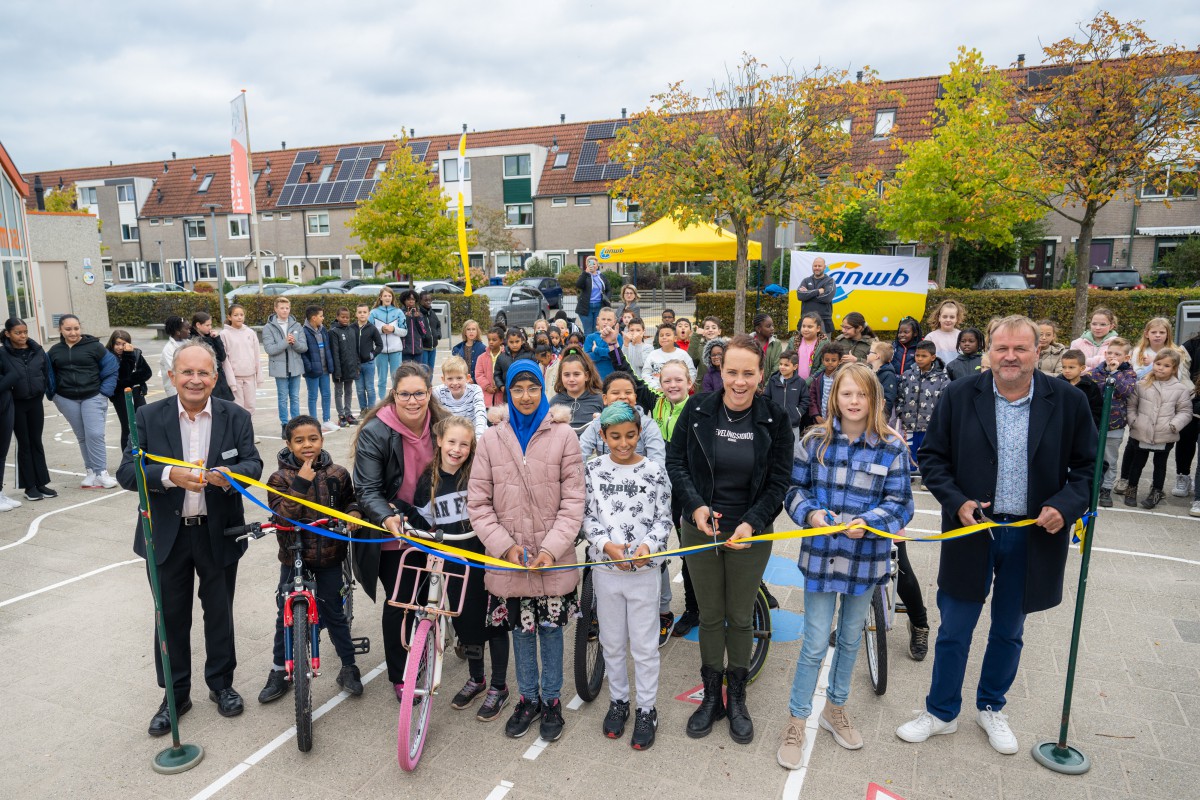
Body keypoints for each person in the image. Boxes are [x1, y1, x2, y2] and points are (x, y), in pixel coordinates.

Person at [896, 316, 1096, 757]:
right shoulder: (959, 394)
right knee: (955, 630)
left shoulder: (1066, 400)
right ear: (988, 350)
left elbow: (1087, 470)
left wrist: (1064, 507)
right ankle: (941, 712)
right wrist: (957, 500)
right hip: (973, 531)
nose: (1010, 356)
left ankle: (991, 707)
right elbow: (932, 458)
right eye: (1001, 347)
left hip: (1032, 536)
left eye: (1020, 349)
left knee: (1009, 629)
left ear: (1037, 351)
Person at [115, 341, 263, 736]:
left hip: (218, 533)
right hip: (166, 536)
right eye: (187, 372)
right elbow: (128, 471)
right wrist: (168, 476)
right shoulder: (147, 416)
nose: (195, 380)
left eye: (203, 373)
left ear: (215, 378)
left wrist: (229, 477)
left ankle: (221, 684)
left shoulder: (235, 416)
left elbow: (252, 463)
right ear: (172, 376)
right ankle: (175, 695)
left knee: (219, 613)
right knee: (170, 618)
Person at [776, 363, 913, 766]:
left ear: (875, 399)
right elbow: (794, 490)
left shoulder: (892, 447)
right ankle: (797, 719)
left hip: (865, 563)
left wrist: (869, 524)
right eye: (846, 394)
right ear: (834, 398)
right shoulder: (814, 441)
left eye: (862, 395)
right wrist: (812, 516)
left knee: (851, 639)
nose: (854, 402)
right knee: (815, 642)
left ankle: (835, 708)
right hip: (820, 560)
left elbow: (900, 504)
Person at [666, 334, 793, 745]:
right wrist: (696, 505)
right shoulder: (698, 409)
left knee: (739, 616)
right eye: (731, 372)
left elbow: (779, 482)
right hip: (700, 527)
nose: (739, 382)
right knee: (708, 615)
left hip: (748, 532)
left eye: (748, 373)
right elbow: (676, 461)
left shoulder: (775, 418)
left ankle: (736, 697)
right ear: (720, 371)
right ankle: (711, 696)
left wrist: (753, 522)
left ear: (762, 374)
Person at [468, 360, 585, 742]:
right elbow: (479, 504)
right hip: (511, 562)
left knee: (551, 632)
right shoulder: (490, 439)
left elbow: (573, 500)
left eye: (532, 387)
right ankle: (527, 699)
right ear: (507, 392)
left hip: (553, 560)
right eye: (517, 389)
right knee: (520, 631)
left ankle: (551, 701)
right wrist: (505, 546)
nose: (525, 396)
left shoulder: (564, 436)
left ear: (542, 389)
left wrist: (552, 548)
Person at [404, 416, 511, 721]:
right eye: (451, 441)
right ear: (439, 441)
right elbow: (424, 520)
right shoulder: (428, 480)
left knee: (495, 621)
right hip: (453, 562)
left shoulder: (477, 473)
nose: (457, 449)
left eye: (464, 444)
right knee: (464, 621)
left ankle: (499, 686)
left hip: (484, 557)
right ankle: (477, 679)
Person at [350, 362, 446, 700]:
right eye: (404, 394)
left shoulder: (443, 424)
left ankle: (431, 643)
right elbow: (366, 488)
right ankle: (400, 672)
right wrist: (387, 517)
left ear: (429, 393)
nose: (412, 400)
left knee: (432, 596)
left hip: (437, 527)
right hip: (395, 529)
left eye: (419, 393)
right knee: (401, 600)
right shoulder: (376, 431)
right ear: (394, 395)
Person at [583, 401, 672, 750]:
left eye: (630, 435)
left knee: (646, 646)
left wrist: (648, 547)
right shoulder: (591, 470)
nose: (623, 443)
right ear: (603, 436)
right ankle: (619, 701)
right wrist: (607, 545)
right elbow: (587, 517)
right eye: (615, 436)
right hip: (606, 573)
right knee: (613, 642)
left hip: (644, 573)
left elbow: (664, 519)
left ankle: (647, 708)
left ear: (640, 434)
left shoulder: (653, 471)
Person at [258, 415, 364, 704]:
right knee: (286, 615)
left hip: (330, 555)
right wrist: (301, 484)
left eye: (313, 438)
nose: (307, 445)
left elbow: (350, 500)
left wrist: (354, 512)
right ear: (288, 444)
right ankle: (279, 670)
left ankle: (348, 666)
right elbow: (284, 515)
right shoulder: (279, 479)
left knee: (334, 612)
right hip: (293, 558)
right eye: (300, 440)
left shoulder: (338, 473)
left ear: (322, 439)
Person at [48, 314, 119, 488]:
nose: (73, 332)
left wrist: (104, 392)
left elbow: (112, 368)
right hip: (66, 398)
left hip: (93, 395)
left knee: (94, 434)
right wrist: (53, 394)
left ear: (80, 327)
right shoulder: (54, 351)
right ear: (60, 330)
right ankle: (91, 472)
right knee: (82, 436)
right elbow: (48, 373)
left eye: (76, 328)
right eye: (68, 329)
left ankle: (102, 472)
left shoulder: (95, 347)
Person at [1122, 350, 1193, 509]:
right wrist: (1133, 421)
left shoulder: (1180, 389)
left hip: (1165, 433)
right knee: (1137, 462)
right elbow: (1132, 405)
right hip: (1141, 430)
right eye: (1158, 364)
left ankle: (1156, 491)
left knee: (1160, 464)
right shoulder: (1141, 384)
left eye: (1166, 365)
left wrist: (1174, 425)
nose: (1161, 368)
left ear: (1174, 369)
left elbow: (1185, 411)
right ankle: (1131, 488)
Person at [2, 319, 56, 501]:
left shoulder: (37, 350)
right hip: (16, 404)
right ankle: (29, 487)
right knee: (24, 444)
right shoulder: (3, 354)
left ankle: (42, 483)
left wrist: (42, 390)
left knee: (36, 442)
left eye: (25, 331)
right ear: (8, 333)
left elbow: (45, 372)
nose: (23, 335)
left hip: (35, 402)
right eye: (18, 332)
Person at [1088, 337, 1137, 508]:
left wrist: (1115, 374)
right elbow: (1093, 390)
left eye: (1117, 354)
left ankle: (1106, 488)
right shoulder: (1097, 371)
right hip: (1095, 423)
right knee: (1092, 456)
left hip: (1114, 425)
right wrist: (1107, 372)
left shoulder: (1129, 374)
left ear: (1126, 357)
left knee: (1110, 458)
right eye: (1109, 353)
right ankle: (1092, 485)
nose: (1112, 356)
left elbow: (1126, 391)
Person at [898, 341, 950, 475]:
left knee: (927, 451)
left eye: (923, 356)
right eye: (917, 355)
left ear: (933, 357)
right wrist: (900, 412)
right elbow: (900, 395)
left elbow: (945, 400)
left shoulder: (942, 377)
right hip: (909, 423)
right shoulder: (908, 374)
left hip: (930, 424)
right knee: (909, 450)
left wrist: (939, 419)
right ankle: (909, 474)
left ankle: (926, 477)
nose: (919, 359)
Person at [263, 297, 308, 439]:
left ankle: (295, 424)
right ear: (275, 309)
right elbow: (270, 349)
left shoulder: (297, 326)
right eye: (282, 308)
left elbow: (304, 347)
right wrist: (285, 342)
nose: (285, 311)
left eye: (287, 308)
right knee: (283, 398)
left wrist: (294, 343)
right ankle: (285, 424)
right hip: (280, 369)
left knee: (294, 397)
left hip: (295, 367)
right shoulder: (268, 327)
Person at [106, 329, 153, 453]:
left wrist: (131, 380)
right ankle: (128, 458)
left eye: (124, 344)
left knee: (143, 423)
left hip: (138, 393)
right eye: (117, 344)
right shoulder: (109, 357)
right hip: (121, 396)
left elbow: (147, 373)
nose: (120, 347)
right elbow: (122, 376)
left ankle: (143, 454)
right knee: (128, 427)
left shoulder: (136, 353)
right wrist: (128, 357)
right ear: (112, 344)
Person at [220, 304, 263, 417]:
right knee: (237, 407)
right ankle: (237, 432)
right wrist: (231, 381)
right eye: (236, 315)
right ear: (229, 317)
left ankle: (248, 431)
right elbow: (225, 360)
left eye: (241, 315)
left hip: (250, 375)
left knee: (251, 406)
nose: (239, 317)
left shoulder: (250, 333)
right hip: (235, 377)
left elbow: (257, 355)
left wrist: (259, 377)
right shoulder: (224, 334)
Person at [301, 306, 338, 432]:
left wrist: (330, 365)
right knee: (313, 396)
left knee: (326, 394)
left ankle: (326, 420)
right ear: (314, 317)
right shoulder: (304, 331)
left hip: (325, 370)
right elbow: (303, 353)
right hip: (312, 371)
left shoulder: (323, 330)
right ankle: (313, 422)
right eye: (321, 316)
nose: (323, 318)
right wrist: (309, 367)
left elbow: (327, 349)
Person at [550, 350, 604, 436]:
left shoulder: (599, 399)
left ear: (586, 376)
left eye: (576, 374)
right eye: (567, 375)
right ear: (561, 376)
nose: (571, 379)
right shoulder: (555, 402)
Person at [433, 356, 487, 437]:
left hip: (473, 432)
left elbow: (480, 414)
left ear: (467, 378)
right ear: (443, 379)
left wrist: (478, 437)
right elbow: (433, 416)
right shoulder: (438, 392)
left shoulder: (475, 390)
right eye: (450, 379)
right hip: (450, 434)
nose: (454, 383)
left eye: (459, 378)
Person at [370, 287, 407, 400]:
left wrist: (393, 329)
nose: (387, 298)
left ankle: (397, 399)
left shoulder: (398, 312)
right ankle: (382, 401)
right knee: (381, 379)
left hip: (395, 350)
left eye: (389, 296)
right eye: (385, 296)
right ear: (380, 297)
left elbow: (404, 332)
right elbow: (369, 332)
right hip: (380, 351)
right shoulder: (373, 313)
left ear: (392, 298)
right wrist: (381, 330)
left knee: (396, 378)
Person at [190, 312, 234, 402]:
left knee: (224, 405)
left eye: (210, 325)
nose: (210, 327)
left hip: (219, 378)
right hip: (208, 378)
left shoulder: (211, 337)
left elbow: (222, 357)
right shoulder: (193, 340)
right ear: (198, 325)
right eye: (207, 325)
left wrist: (217, 339)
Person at [349, 303, 383, 412]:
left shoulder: (372, 328)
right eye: (360, 312)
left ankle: (371, 410)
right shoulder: (351, 328)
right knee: (359, 389)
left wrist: (372, 355)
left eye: (364, 312)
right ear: (356, 314)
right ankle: (363, 410)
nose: (362, 314)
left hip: (368, 364)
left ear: (368, 314)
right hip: (356, 365)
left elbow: (380, 345)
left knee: (370, 388)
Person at [328, 307, 359, 427]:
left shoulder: (351, 330)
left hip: (351, 367)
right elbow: (335, 353)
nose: (345, 319)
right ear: (337, 317)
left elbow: (355, 350)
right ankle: (341, 415)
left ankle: (348, 413)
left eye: (347, 317)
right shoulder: (333, 332)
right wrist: (337, 371)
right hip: (339, 369)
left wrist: (357, 365)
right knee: (339, 391)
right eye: (342, 317)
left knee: (349, 391)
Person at [764, 351, 806, 437]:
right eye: (780, 364)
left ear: (795, 367)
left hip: (793, 425)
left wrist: (798, 413)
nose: (782, 367)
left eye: (786, 365)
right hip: (775, 424)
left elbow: (805, 399)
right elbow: (766, 398)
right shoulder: (773, 381)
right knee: (774, 448)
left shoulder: (800, 382)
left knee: (793, 449)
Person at [1059, 349, 1104, 430]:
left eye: (1071, 367)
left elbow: (1096, 411)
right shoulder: (1057, 383)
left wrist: (1086, 425)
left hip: (1082, 429)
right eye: (1064, 367)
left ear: (1082, 368)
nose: (1067, 371)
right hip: (1060, 428)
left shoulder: (1090, 386)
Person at [642, 323, 696, 390]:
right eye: (661, 335)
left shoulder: (683, 355)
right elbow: (645, 374)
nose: (664, 337)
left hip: (678, 392)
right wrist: (656, 387)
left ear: (675, 338)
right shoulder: (652, 355)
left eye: (668, 335)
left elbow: (692, 372)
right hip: (657, 393)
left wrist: (685, 387)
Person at [794, 256, 837, 334]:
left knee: (824, 346)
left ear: (824, 267)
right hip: (806, 320)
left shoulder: (830, 281)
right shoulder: (806, 280)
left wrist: (808, 294)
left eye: (819, 266)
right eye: (815, 266)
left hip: (824, 320)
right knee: (803, 345)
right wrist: (818, 291)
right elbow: (800, 295)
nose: (817, 268)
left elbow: (827, 297)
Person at [808, 342, 847, 426]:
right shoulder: (817, 378)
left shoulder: (843, 379)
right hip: (820, 420)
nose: (830, 362)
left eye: (833, 360)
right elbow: (812, 398)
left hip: (837, 421)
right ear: (822, 360)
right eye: (827, 360)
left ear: (839, 361)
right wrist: (816, 415)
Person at [583, 307, 628, 379]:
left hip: (613, 377)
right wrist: (608, 353)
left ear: (614, 321)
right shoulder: (590, 337)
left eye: (609, 319)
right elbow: (587, 358)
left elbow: (617, 356)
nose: (606, 322)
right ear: (598, 320)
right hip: (595, 378)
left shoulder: (617, 337)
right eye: (603, 319)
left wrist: (597, 350)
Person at [790, 312, 830, 383]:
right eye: (803, 326)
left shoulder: (824, 343)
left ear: (818, 328)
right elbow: (787, 359)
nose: (805, 329)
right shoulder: (793, 341)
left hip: (814, 384)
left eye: (810, 327)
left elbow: (823, 365)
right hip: (794, 382)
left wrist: (809, 381)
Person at [494, 327, 534, 397]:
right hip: (508, 394)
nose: (514, 345)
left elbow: (534, 373)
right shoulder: (501, 357)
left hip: (525, 393)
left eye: (517, 341)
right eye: (511, 342)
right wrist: (501, 386)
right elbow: (497, 374)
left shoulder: (529, 356)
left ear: (522, 341)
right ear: (507, 342)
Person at [924, 300, 967, 366]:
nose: (948, 320)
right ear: (939, 318)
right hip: (937, 374)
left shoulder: (962, 336)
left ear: (957, 319)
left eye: (952, 317)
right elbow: (925, 359)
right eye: (944, 317)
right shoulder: (930, 337)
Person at [575, 258, 610, 336]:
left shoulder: (602, 276)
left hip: (599, 306)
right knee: (588, 331)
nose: (592, 266)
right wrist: (585, 273)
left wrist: (607, 299)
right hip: (586, 308)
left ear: (597, 266)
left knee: (597, 329)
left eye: (594, 264)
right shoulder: (584, 276)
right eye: (590, 264)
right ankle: (588, 348)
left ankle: (595, 347)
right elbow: (578, 285)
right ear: (587, 265)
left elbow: (608, 289)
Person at [866, 341, 899, 421]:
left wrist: (882, 418)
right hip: (867, 414)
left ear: (877, 356)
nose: (867, 354)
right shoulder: (869, 371)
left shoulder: (888, 375)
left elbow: (888, 399)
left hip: (878, 418)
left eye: (869, 352)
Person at [159, 315, 190, 397]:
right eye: (187, 329)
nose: (189, 331)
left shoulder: (189, 343)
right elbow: (175, 369)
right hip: (175, 389)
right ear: (178, 332)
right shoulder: (168, 350)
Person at [476, 325, 506, 408]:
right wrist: (487, 386)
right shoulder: (481, 357)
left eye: (494, 340)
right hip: (486, 396)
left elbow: (507, 373)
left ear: (501, 340)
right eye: (489, 340)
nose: (491, 342)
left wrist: (500, 385)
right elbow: (479, 374)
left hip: (502, 396)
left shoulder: (506, 356)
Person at [689, 316, 723, 385]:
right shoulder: (699, 348)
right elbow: (691, 358)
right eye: (707, 328)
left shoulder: (725, 347)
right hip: (703, 386)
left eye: (714, 328)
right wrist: (696, 336)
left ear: (719, 331)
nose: (710, 330)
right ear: (703, 332)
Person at [751, 313, 783, 386]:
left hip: (770, 386)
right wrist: (755, 386)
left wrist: (767, 387)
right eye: (768, 326)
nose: (772, 328)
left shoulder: (776, 344)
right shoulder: (747, 343)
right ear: (758, 329)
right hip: (751, 386)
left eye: (772, 325)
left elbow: (776, 368)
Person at [419, 291, 442, 372]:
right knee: (424, 370)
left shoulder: (432, 313)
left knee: (431, 370)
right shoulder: (418, 314)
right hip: (423, 348)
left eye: (430, 300)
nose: (428, 302)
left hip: (433, 347)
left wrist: (438, 334)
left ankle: (429, 385)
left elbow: (438, 324)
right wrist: (423, 337)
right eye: (425, 300)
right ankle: (424, 385)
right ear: (420, 301)